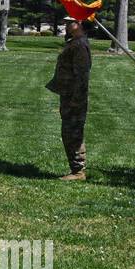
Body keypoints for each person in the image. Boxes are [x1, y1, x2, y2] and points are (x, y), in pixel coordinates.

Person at [46, 18, 92, 180]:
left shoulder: (80, 46)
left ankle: (78, 171)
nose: (66, 25)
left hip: (75, 97)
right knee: (68, 132)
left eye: (70, 22)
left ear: (79, 24)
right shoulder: (75, 42)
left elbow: (82, 76)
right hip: (69, 94)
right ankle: (76, 169)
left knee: (73, 132)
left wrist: (76, 99)